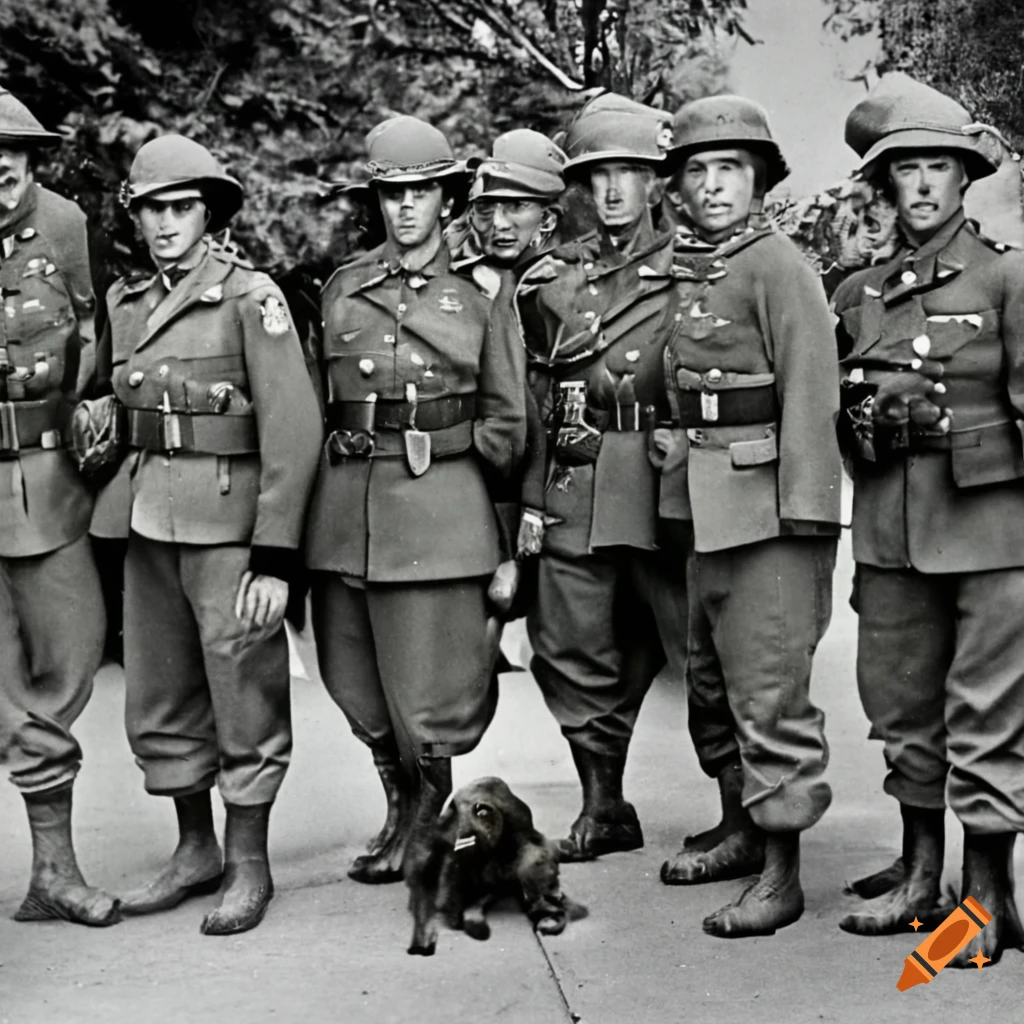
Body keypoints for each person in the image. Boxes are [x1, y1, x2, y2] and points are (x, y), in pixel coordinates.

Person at [91, 134, 321, 935]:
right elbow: (113, 401)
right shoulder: (125, 301)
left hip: (231, 527)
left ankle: (247, 863)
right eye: (152, 208)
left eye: (181, 207)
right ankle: (194, 849)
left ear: (209, 214)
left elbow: (294, 434)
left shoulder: (250, 298)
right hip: (150, 518)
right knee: (158, 693)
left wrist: (275, 559)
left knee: (244, 693)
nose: (164, 224)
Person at [305, 116, 527, 908]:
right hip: (347, 513)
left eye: (421, 193)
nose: (406, 209)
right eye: (393, 194)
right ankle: (399, 807)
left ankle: (431, 826)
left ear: (445, 199)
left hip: (440, 515)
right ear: (378, 201)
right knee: (355, 678)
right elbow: (319, 410)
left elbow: (508, 425)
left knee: (429, 689)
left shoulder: (481, 296)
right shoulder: (340, 289)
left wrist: (505, 543)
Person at [833, 73, 1024, 966]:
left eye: (937, 166)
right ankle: (920, 877)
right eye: (904, 168)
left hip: (989, 534)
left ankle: (985, 898)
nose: (920, 185)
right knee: (902, 706)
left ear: (965, 176)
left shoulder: (1008, 278)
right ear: (884, 182)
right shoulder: (858, 292)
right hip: (888, 529)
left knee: (986, 713)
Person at [654, 95, 841, 938]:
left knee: (769, 696)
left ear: (758, 179)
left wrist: (806, 516)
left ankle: (782, 874)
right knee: (712, 686)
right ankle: (739, 831)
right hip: (706, 508)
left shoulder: (777, 266)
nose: (713, 184)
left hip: (767, 517)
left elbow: (811, 391)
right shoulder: (695, 267)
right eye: (697, 171)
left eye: (729, 168)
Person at [513, 94, 689, 863]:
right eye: (600, 176)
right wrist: (527, 497)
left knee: (686, 638)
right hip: (577, 473)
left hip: (661, 476)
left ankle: (742, 818)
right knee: (565, 639)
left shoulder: (696, 267)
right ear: (581, 188)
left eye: (631, 173)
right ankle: (602, 801)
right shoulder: (549, 281)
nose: (614, 190)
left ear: (658, 181)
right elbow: (526, 392)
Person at [0, 86, 119, 927]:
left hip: (49, 483)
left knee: (64, 664)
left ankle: (54, 874)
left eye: (8, 154)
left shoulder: (69, 228)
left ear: (32, 159)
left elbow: (99, 339)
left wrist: (101, 401)